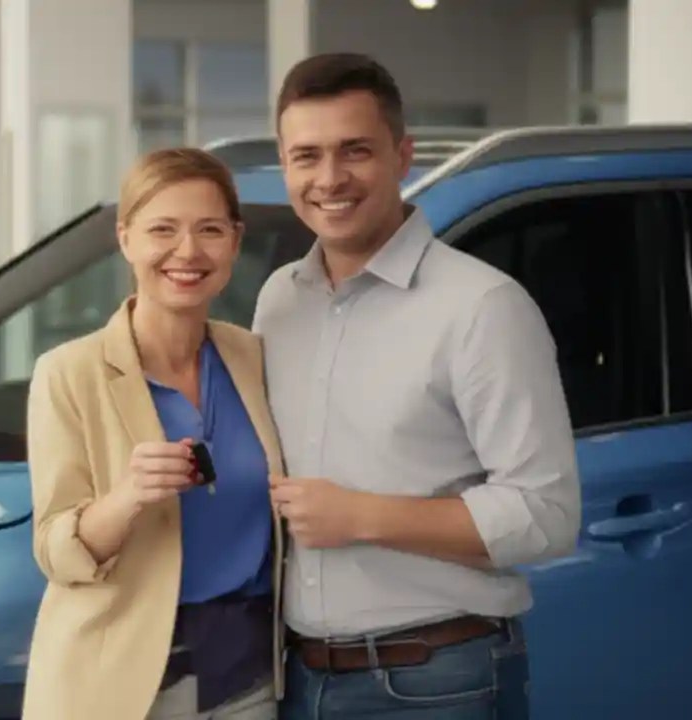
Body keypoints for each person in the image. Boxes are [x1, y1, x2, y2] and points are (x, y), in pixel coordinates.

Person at [253, 52, 582, 719]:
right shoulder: (278, 300)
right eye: (307, 156)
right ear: (285, 165)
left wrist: (360, 516)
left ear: (402, 157)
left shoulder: (482, 306)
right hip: (296, 680)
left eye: (355, 150)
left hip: (437, 683)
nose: (329, 178)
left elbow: (546, 517)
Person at [23, 148, 285, 720]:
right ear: (125, 239)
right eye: (162, 229)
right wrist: (127, 498)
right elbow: (55, 554)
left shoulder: (252, 356)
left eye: (209, 229)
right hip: (122, 681)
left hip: (248, 674)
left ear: (235, 241)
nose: (187, 251)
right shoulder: (69, 372)